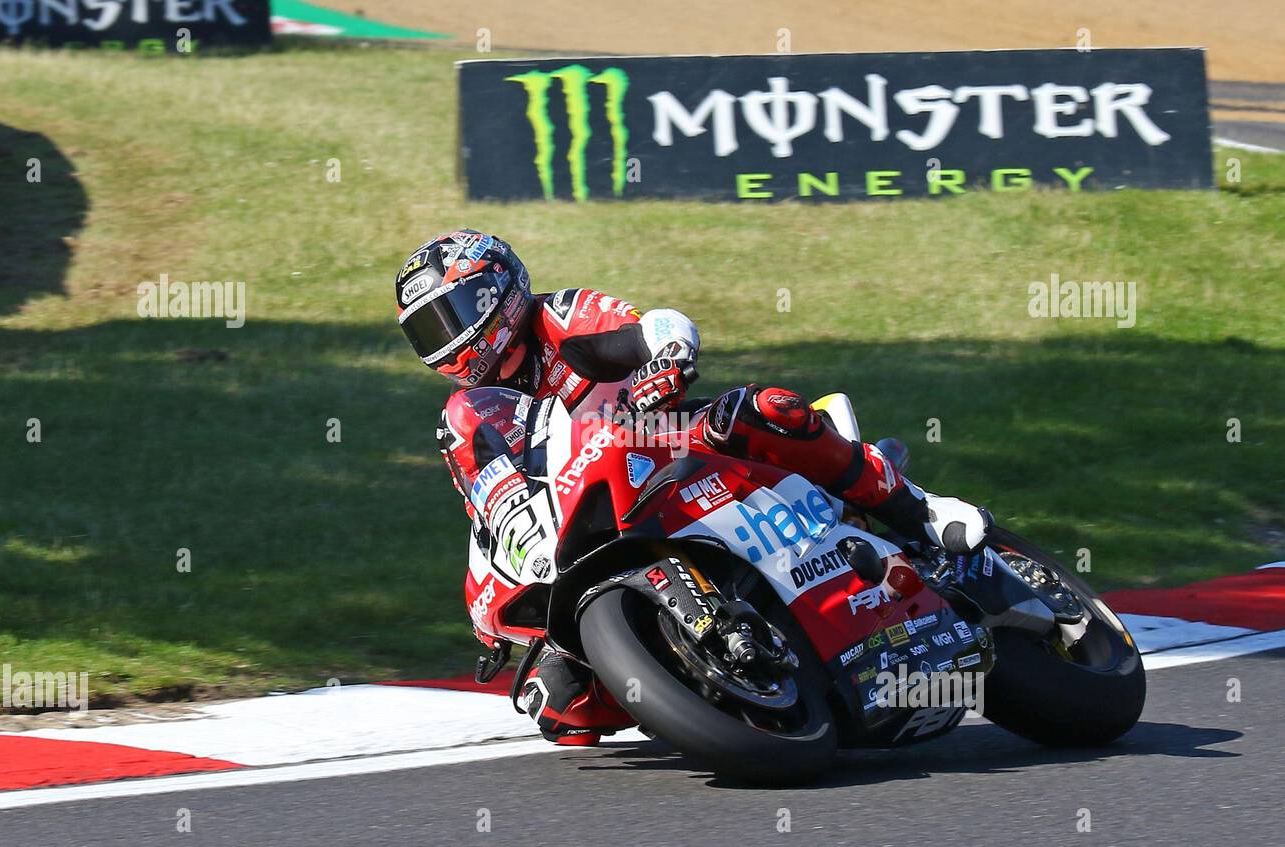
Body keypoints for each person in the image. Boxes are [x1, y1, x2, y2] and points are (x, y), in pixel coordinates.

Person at [396, 229, 990, 746]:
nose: (442, 342)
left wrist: (665, 358)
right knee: (562, 710)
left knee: (765, 411)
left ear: (492, 290)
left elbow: (654, 326)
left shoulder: (563, 318)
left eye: (446, 317)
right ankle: (700, 668)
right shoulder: (467, 413)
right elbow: (483, 491)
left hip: (661, 436)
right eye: (425, 332)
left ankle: (920, 510)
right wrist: (506, 552)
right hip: (575, 519)